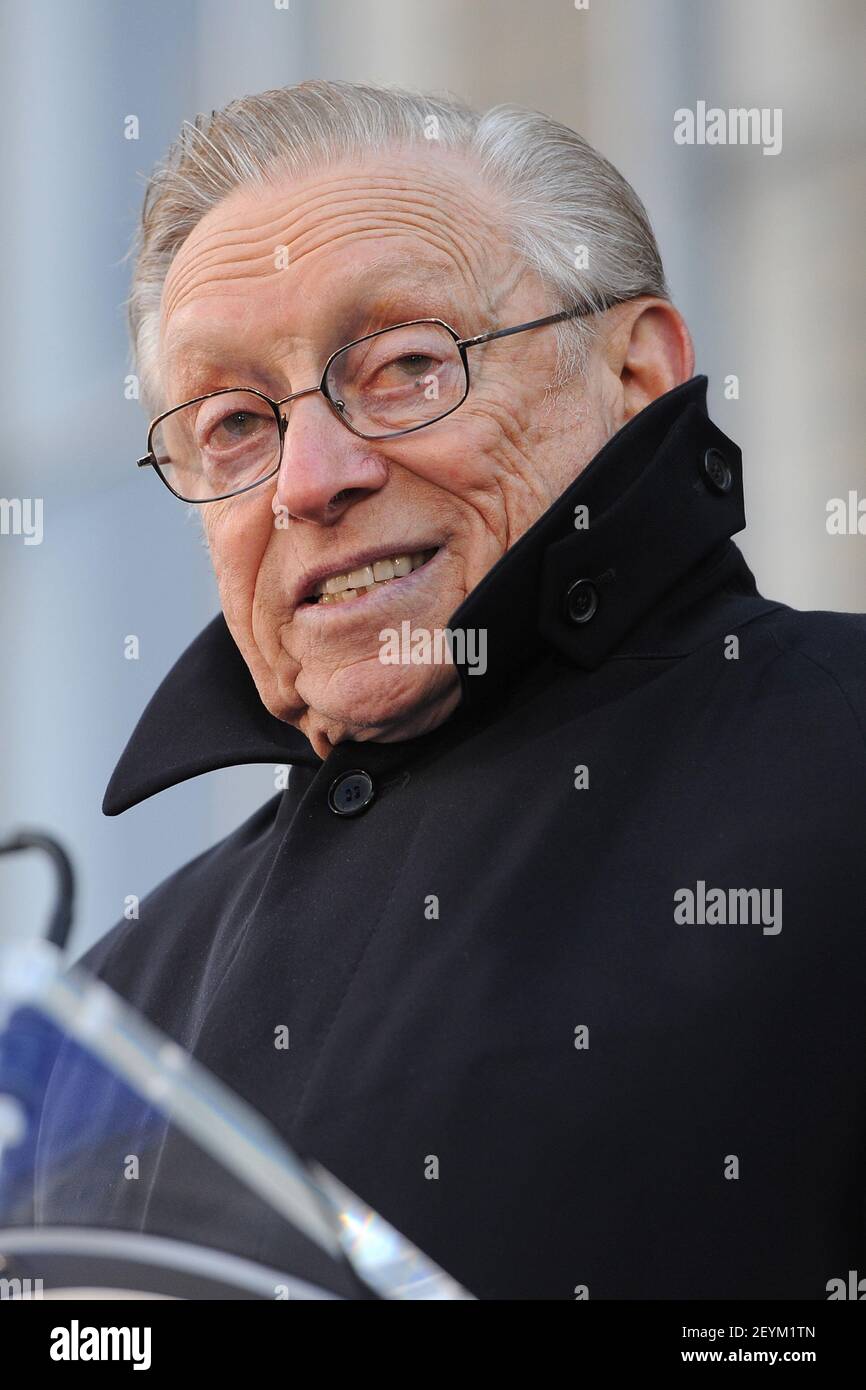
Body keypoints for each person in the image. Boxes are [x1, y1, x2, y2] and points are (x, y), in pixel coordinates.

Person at [38, 81, 866, 1298]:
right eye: (229, 425)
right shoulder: (110, 1019)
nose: (307, 480)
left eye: (405, 366)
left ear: (636, 374)